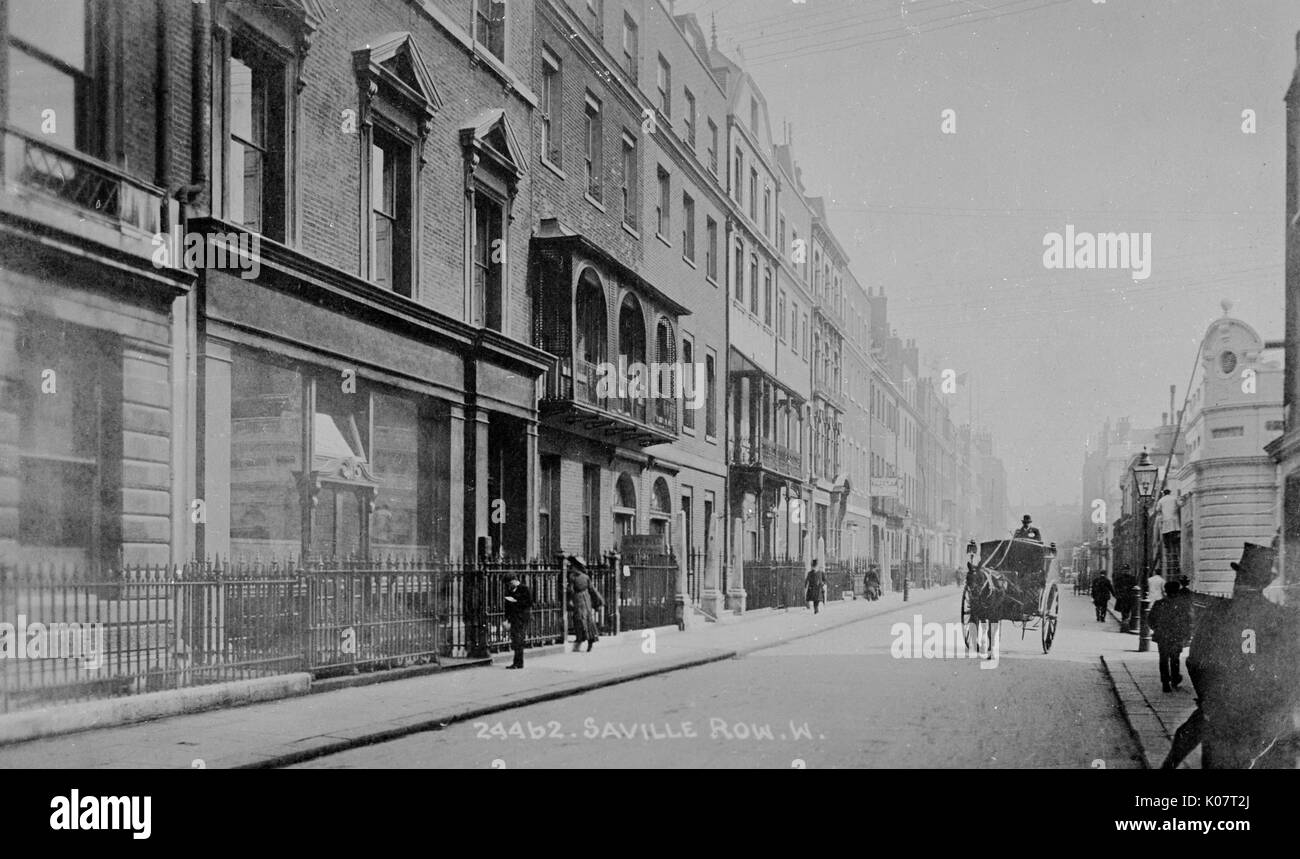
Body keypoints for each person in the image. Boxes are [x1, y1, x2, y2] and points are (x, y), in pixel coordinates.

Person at [1164, 542, 1300, 768]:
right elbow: (1291, 671)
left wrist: (1210, 700)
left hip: (1221, 716)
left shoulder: (1217, 612)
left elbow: (1195, 661)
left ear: (1238, 579)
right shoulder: (1280, 617)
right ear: (1263, 583)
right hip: (1267, 724)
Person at [1147, 580, 1191, 692]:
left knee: (1163, 659)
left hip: (1162, 636)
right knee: (1175, 658)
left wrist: (1156, 629)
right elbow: (1187, 621)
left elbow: (1150, 619)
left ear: (1165, 591)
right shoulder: (1182, 605)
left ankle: (1165, 683)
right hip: (1176, 635)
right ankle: (1175, 679)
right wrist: (1186, 635)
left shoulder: (1159, 603)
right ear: (1177, 591)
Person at [567, 556, 602, 652]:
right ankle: (590, 639)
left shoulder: (572, 577)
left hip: (578, 599)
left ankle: (580, 637)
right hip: (587, 599)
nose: (571, 567)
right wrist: (598, 600)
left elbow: (571, 590)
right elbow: (592, 589)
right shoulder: (586, 577)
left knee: (579, 619)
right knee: (588, 619)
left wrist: (569, 598)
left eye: (573, 566)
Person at [503, 573, 533, 669]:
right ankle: (517, 662)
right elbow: (507, 606)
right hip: (513, 618)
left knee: (519, 640)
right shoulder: (510, 590)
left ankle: (518, 663)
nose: (509, 586)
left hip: (522, 618)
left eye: (509, 583)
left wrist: (516, 601)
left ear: (514, 581)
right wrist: (506, 619)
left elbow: (529, 603)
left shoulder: (524, 589)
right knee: (515, 640)